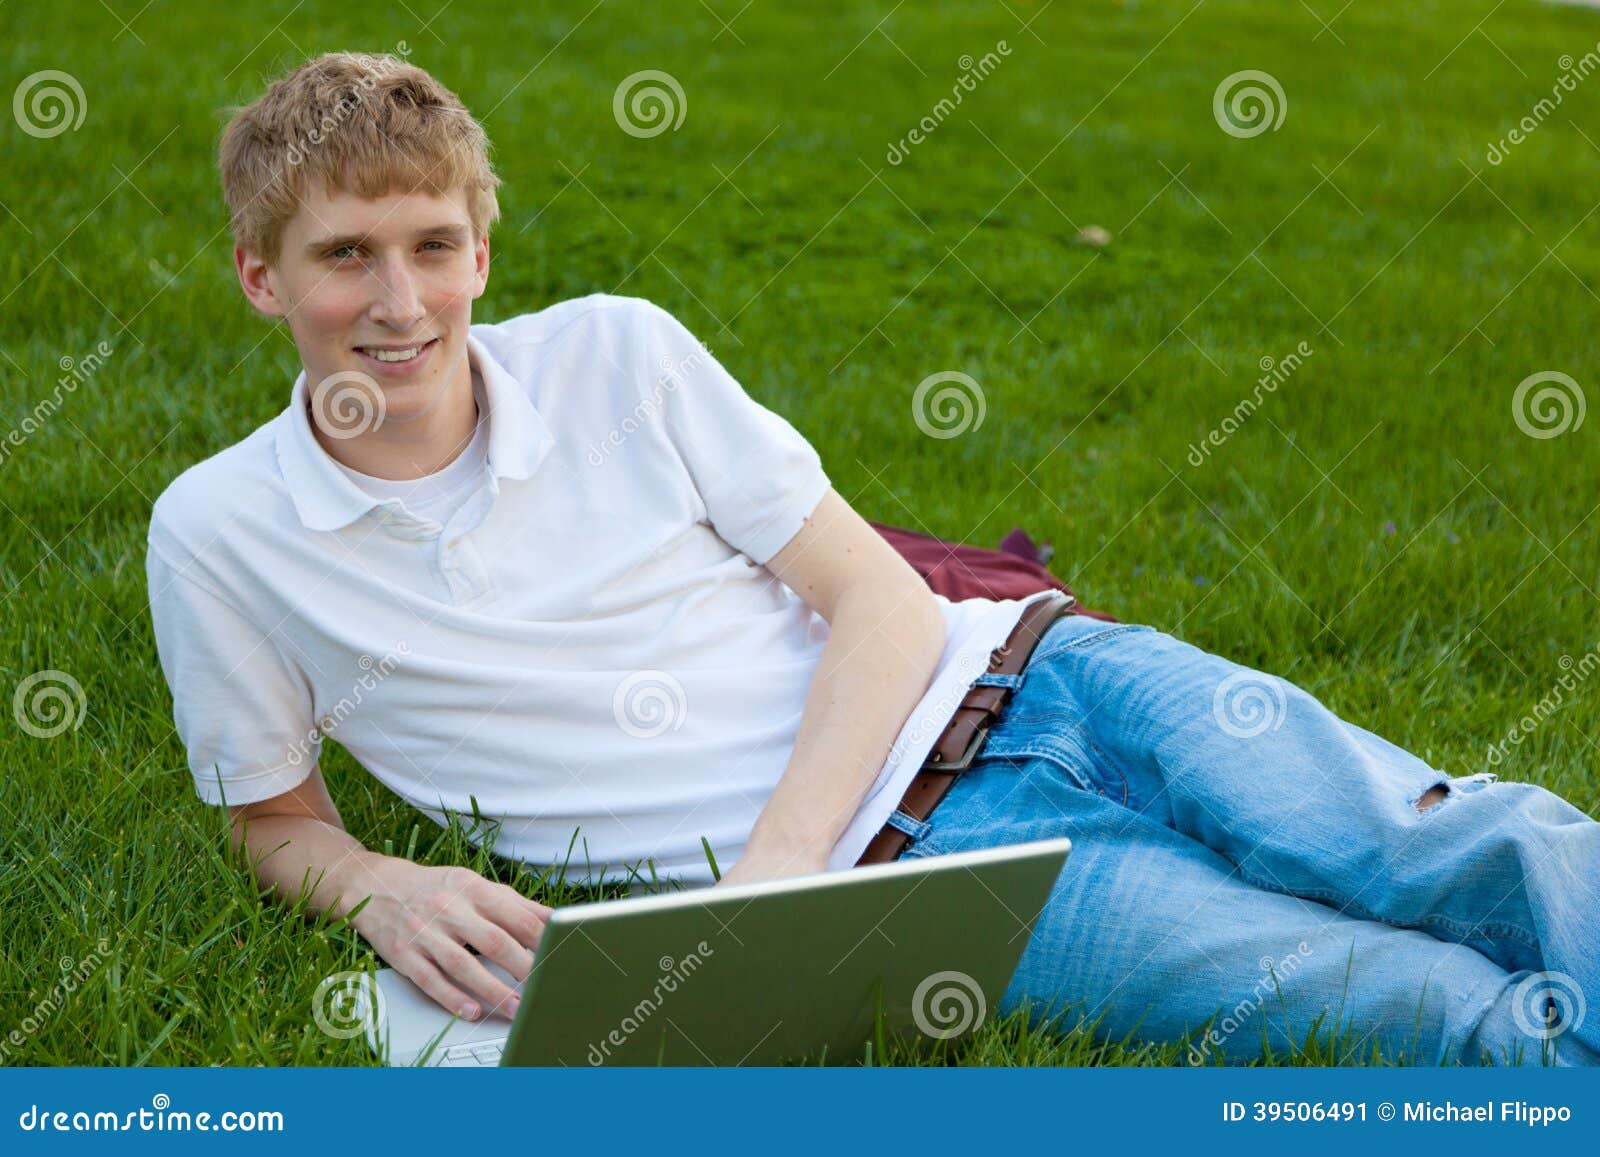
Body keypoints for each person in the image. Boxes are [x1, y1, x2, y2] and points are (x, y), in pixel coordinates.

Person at [145, 51, 1597, 1067]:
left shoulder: (616, 354)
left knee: (1464, 843)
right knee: (1418, 1011)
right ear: (262, 276)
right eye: (346, 255)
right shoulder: (218, 534)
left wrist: (770, 885)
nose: (399, 301)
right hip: (920, 879)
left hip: (1043, 674)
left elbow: (882, 598)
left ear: (480, 252)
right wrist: (378, 884)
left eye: (431, 245)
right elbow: (273, 818)